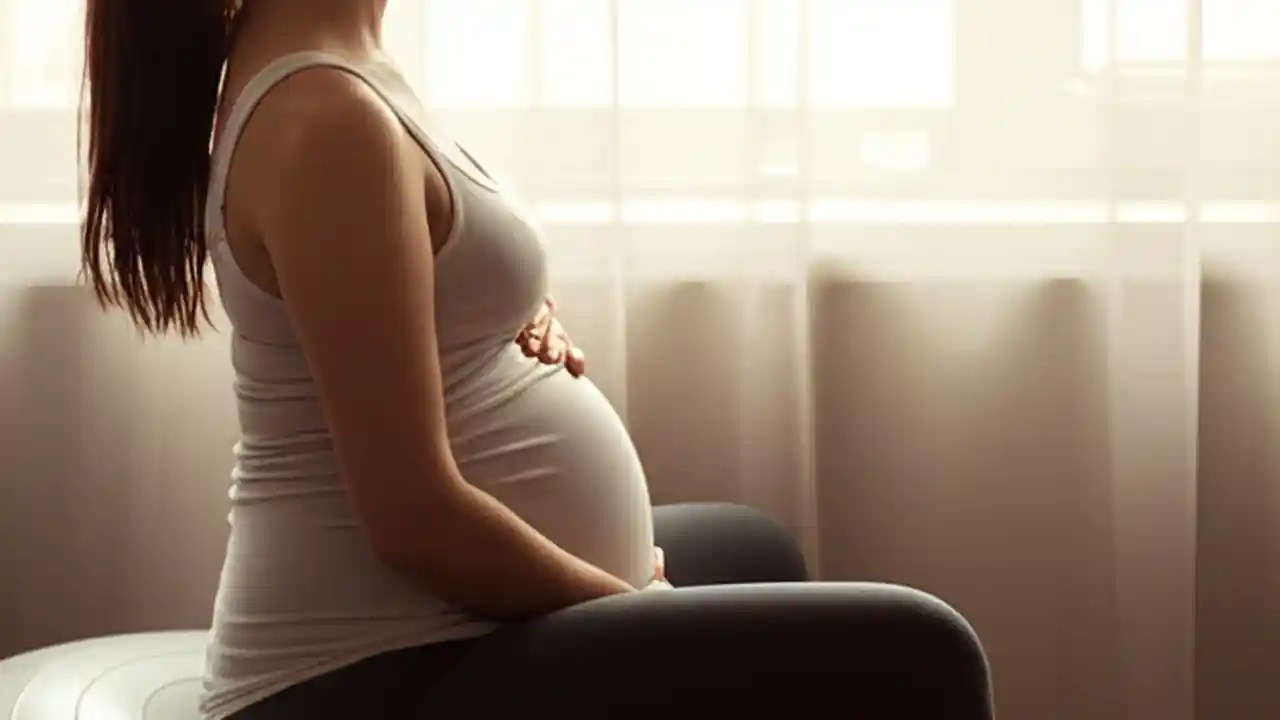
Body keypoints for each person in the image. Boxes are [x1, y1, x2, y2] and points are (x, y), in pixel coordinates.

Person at [78, 0, 994, 718]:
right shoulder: (324, 118)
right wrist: (629, 608)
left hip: (432, 637)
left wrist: (502, 318)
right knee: (923, 652)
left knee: (757, 550)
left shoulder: (340, 65)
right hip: (367, 678)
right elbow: (413, 520)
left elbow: (405, 284)